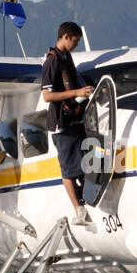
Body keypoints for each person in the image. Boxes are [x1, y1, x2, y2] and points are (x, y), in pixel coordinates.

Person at [41, 21, 94, 224]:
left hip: (75, 118)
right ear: (66, 36)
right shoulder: (52, 62)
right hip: (62, 124)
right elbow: (47, 96)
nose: (76, 45)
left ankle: (85, 198)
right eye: (75, 41)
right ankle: (78, 209)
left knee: (83, 163)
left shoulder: (66, 57)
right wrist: (76, 92)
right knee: (69, 170)